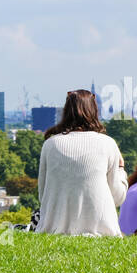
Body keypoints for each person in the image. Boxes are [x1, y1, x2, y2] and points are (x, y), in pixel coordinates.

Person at [35, 90, 128, 236]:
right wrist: (121, 169)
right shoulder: (108, 144)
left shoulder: (50, 144)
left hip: (53, 231)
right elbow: (117, 197)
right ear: (94, 110)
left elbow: (43, 195)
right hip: (102, 231)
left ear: (65, 111)